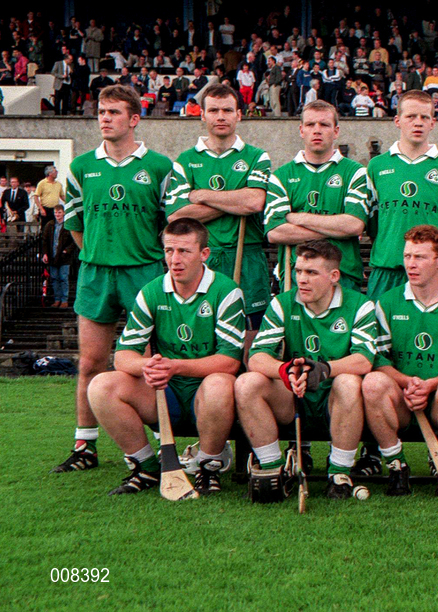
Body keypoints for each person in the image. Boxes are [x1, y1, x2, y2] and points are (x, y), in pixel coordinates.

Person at [52, 85, 173, 475]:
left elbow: (168, 223)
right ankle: (84, 445)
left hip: (145, 273)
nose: (105, 118)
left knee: (151, 363)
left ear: (134, 119)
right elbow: (75, 224)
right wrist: (99, 253)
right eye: (101, 112)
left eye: (114, 112)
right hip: (96, 274)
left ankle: (162, 440)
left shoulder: (159, 167)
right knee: (90, 363)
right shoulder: (81, 167)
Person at [87, 218, 245, 495]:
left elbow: (230, 361)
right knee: (102, 385)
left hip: (207, 397)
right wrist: (148, 365)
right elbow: (123, 356)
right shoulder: (151, 291)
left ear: (204, 254)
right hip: (165, 393)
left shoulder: (227, 291)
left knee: (219, 382)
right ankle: (146, 466)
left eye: (184, 251)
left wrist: (175, 366)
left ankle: (208, 467)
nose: (175, 259)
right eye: (169, 251)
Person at [235, 240, 376, 502]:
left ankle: (339, 473)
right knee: (247, 383)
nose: (302, 279)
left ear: (334, 276)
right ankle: (273, 469)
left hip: (336, 400)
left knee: (348, 382)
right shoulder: (283, 303)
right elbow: (256, 356)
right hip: (293, 397)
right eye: (298, 271)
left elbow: (364, 360)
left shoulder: (360, 305)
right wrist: (285, 370)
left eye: (311, 272)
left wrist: (324, 369)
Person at [362, 225, 438, 496]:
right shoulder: (388, 302)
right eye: (407, 256)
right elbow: (377, 358)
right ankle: (397, 466)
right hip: (402, 397)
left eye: (420, 257)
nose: (411, 264)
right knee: (373, 382)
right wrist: (408, 383)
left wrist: (432, 385)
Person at [165, 83, 273, 349]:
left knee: (251, 344)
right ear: (202, 115)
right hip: (204, 258)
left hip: (247, 257)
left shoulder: (257, 156)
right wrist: (236, 199)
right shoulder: (186, 160)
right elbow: (177, 216)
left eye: (227, 110)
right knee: (205, 339)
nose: (220, 116)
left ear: (239, 114)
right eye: (213, 110)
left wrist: (201, 194)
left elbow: (255, 201)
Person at [364, 90, 438, 301]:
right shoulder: (377, 166)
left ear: (433, 123)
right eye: (411, 116)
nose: (418, 123)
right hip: (387, 270)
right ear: (397, 121)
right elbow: (372, 224)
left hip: (432, 274)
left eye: (424, 117)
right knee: (380, 333)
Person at [264, 100, 369, 292]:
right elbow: (275, 232)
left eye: (324, 124)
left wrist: (299, 218)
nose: (317, 130)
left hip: (342, 276)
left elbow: (354, 225)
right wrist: (337, 228)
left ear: (336, 131)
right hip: (296, 278)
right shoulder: (281, 176)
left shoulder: (355, 172)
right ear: (301, 130)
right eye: (311, 124)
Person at [41, 204, 76, 307]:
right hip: (52, 256)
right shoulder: (49, 225)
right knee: (54, 278)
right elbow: (45, 241)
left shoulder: (68, 225)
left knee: (63, 278)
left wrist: (67, 251)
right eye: (56, 212)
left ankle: (64, 300)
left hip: (64, 257)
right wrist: (45, 254)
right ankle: (57, 299)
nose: (57, 214)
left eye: (59, 212)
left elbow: (73, 241)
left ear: (64, 213)